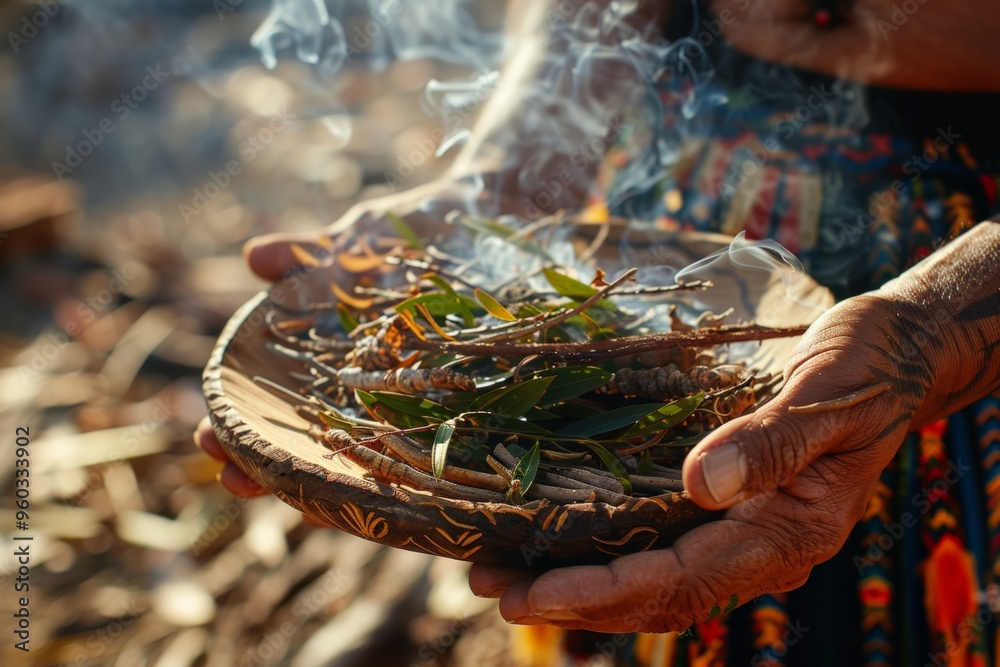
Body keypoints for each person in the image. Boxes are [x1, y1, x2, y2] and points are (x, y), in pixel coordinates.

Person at [196, 0, 1000, 663]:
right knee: (618, 558)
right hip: (673, 209)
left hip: (965, 260)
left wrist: (930, 334)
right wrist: (512, 168)